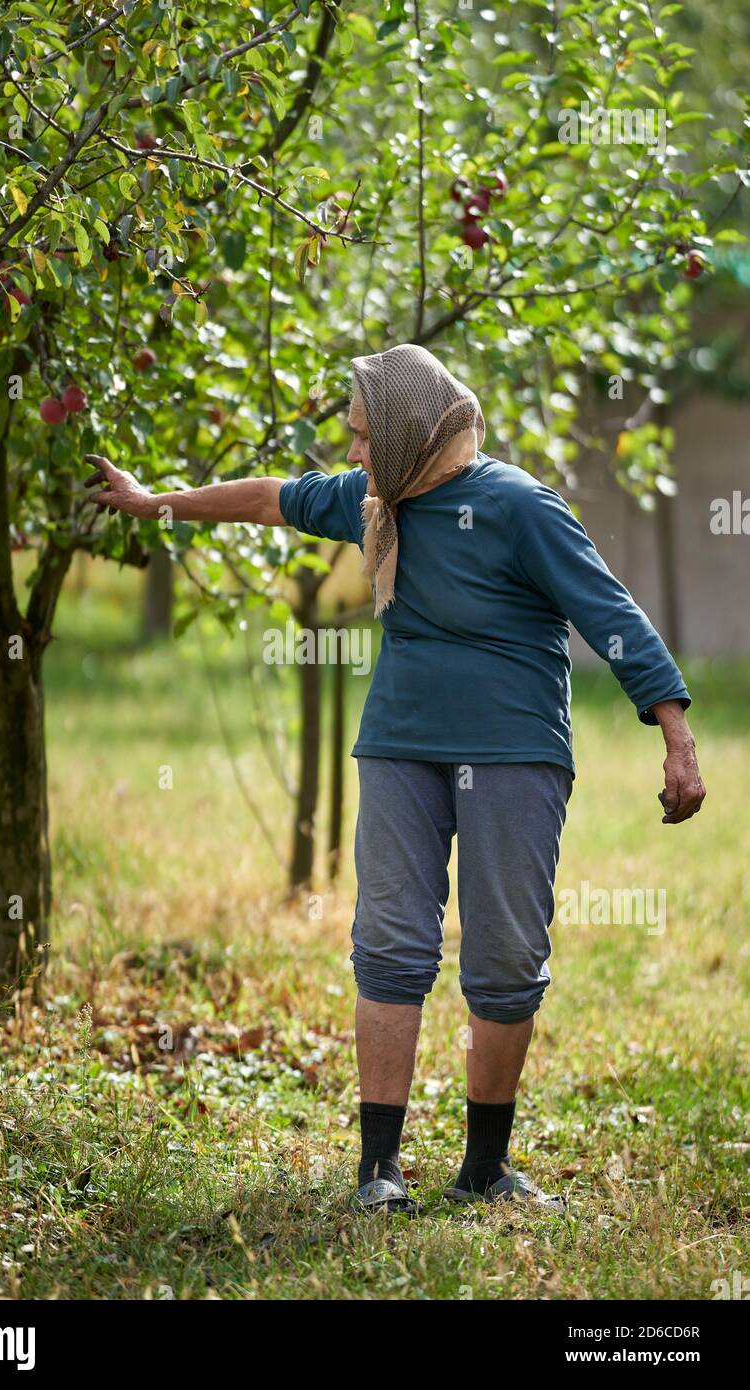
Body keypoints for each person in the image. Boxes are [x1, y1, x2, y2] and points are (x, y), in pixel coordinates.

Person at [83, 343, 705, 1218]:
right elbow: (268, 497)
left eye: (365, 435)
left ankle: (485, 1169)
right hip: (400, 745)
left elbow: (609, 612)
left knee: (504, 955)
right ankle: (380, 1169)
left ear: (413, 431)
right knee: (389, 944)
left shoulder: (520, 506)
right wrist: (159, 503)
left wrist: (674, 736)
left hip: (512, 751)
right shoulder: (380, 502)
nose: (352, 453)